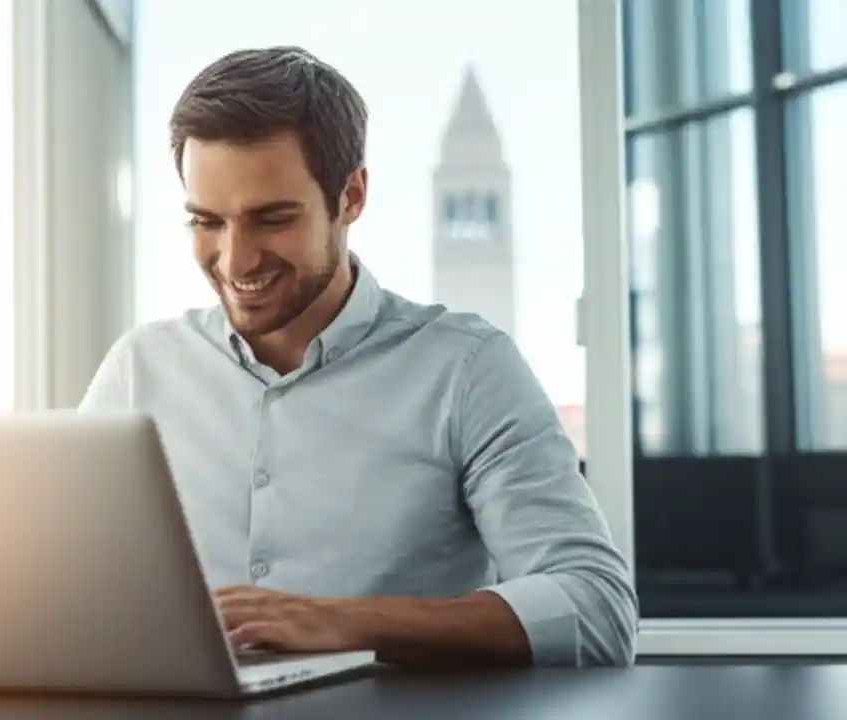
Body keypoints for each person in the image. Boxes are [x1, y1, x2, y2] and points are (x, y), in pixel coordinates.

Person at [80, 46, 636, 668]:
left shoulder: (467, 370)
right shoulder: (139, 370)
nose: (235, 261)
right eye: (207, 222)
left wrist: (341, 621)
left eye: (272, 219)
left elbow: (596, 609)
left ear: (351, 196)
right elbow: (56, 586)